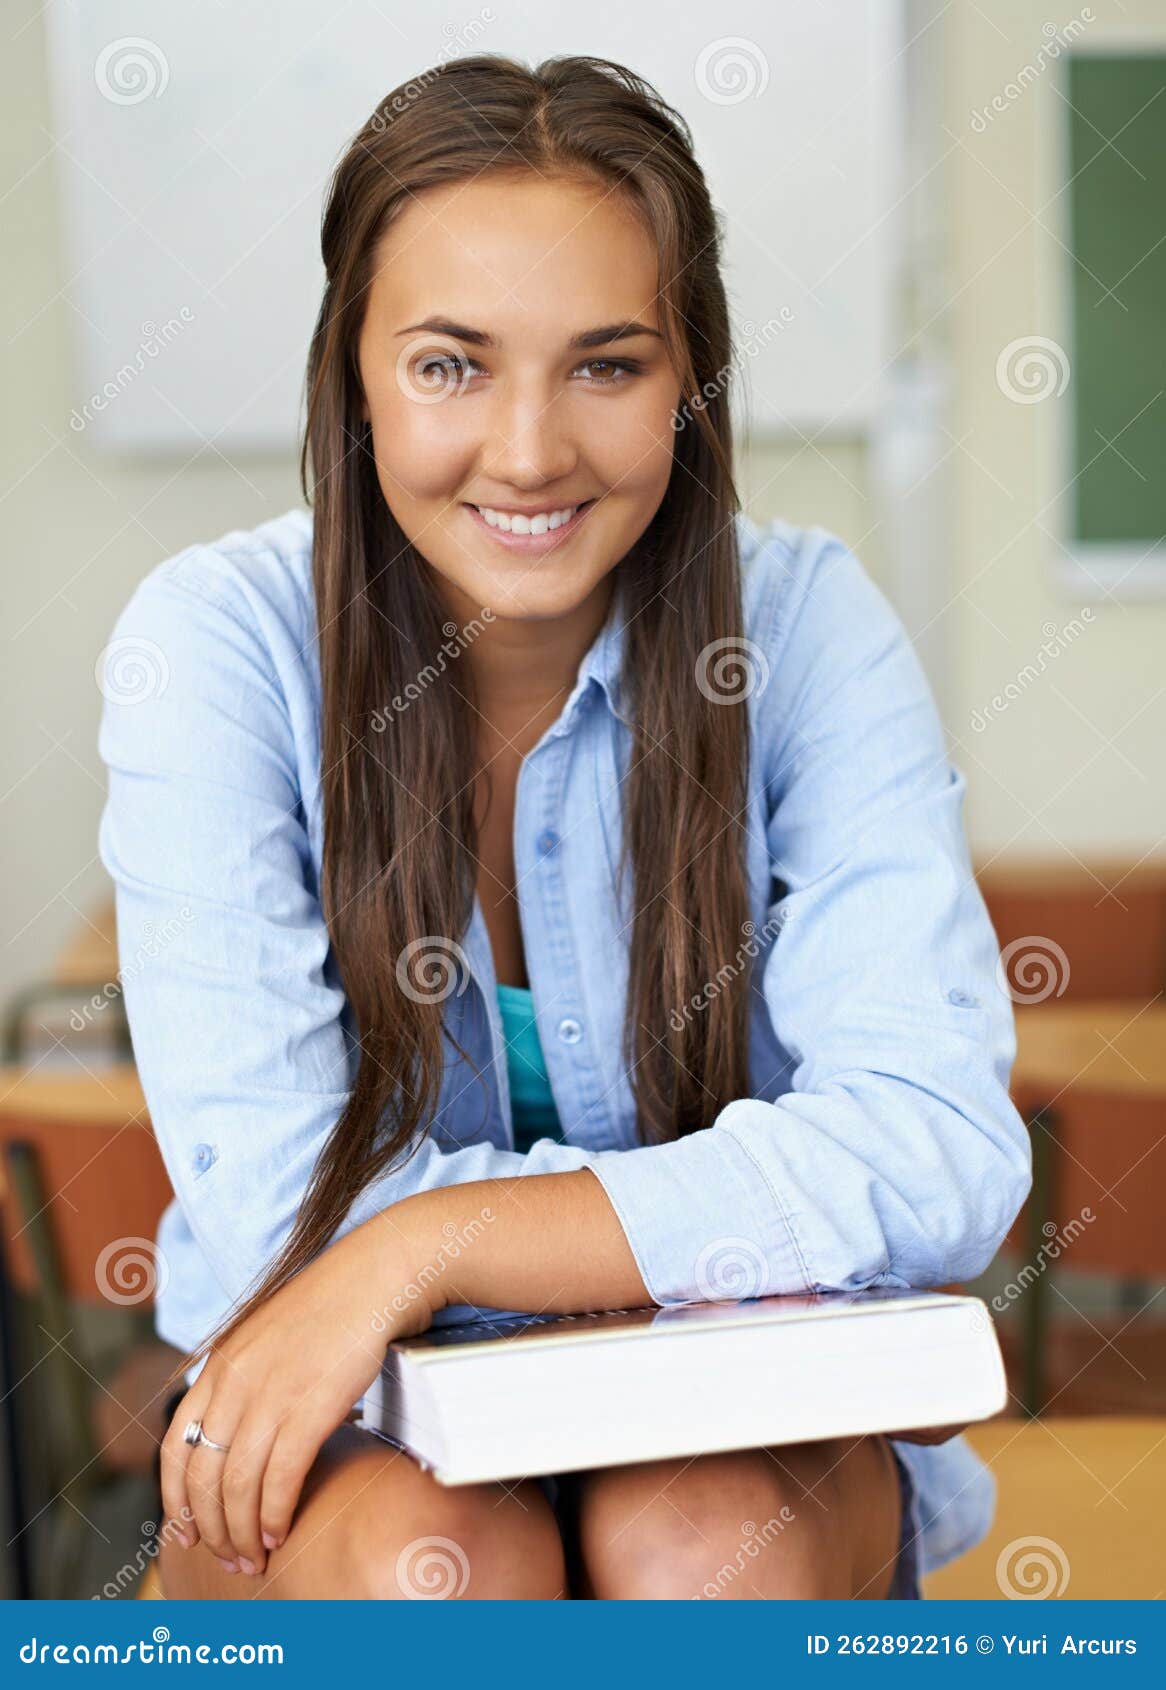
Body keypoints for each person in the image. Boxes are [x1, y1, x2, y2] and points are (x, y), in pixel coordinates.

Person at [97, 53, 1031, 1600]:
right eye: (449, 364)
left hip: (747, 1439)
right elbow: (280, 1216)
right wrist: (699, 1235)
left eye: (605, 365)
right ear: (352, 376)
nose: (528, 450)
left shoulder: (802, 629)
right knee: (437, 1562)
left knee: (687, 1545)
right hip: (352, 1455)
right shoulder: (217, 648)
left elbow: (935, 1149)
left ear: (689, 382)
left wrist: (427, 1248)